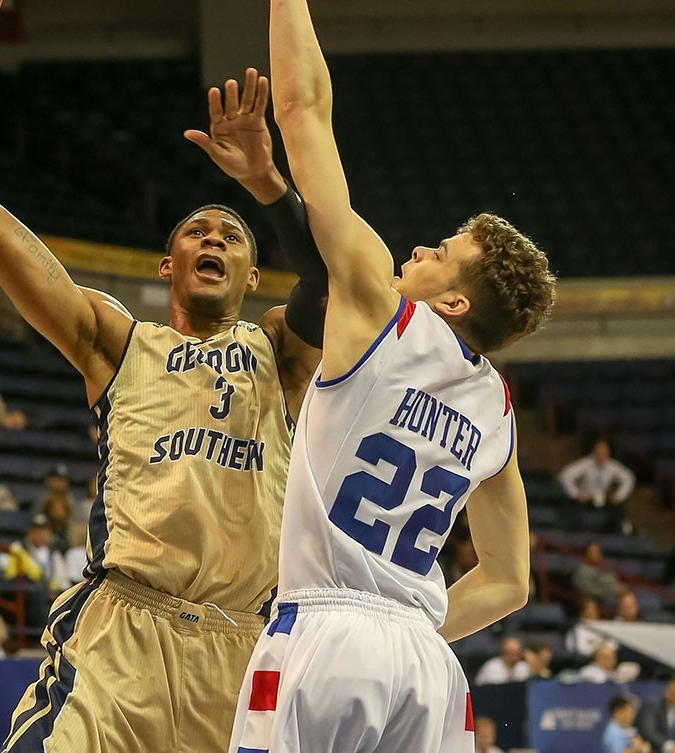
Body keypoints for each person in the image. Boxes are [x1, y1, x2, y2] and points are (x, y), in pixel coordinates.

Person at [0, 7, 326, 750]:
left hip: (241, 648)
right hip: (121, 636)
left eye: (231, 235)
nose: (213, 236)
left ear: (250, 273)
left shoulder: (279, 347)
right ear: (167, 265)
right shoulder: (115, 338)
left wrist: (270, 186)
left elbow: (332, 277)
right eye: (196, 232)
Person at [228, 2, 557, 752]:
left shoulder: (380, 310)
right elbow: (510, 580)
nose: (419, 246)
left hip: (322, 630)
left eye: (440, 249)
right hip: (425, 661)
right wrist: (406, 620)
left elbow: (301, 107)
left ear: (453, 300)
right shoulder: (499, 409)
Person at [559, 440, 636, 534]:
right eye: (599, 453)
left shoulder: (612, 466)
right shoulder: (585, 464)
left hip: (603, 498)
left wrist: (619, 495)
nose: (601, 456)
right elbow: (565, 475)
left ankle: (621, 531)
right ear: (594, 452)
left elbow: (629, 478)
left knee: (618, 508)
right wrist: (575, 493)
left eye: (604, 453)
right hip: (586, 498)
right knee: (573, 510)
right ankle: (574, 532)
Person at [635, 676, 675, 753]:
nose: (673, 694)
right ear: (667, 690)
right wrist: (666, 744)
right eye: (672, 690)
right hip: (653, 748)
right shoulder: (653, 704)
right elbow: (648, 729)